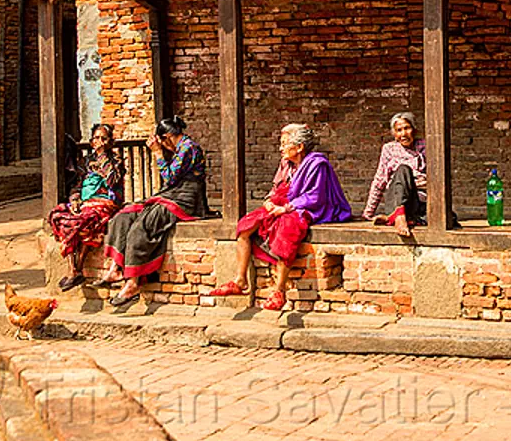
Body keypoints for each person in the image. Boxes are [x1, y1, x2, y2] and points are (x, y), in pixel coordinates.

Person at [209, 123, 351, 311]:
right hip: (284, 202)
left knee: (287, 229)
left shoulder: (317, 164)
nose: (281, 148)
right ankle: (240, 279)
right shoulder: (286, 163)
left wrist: (286, 208)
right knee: (246, 225)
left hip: (308, 207)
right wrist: (269, 201)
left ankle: (279, 290)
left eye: (284, 144)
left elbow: (315, 196)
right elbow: (276, 187)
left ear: (299, 147)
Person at [93, 116, 208, 307]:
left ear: (168, 137)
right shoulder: (178, 147)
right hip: (170, 194)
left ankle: (133, 282)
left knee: (142, 226)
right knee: (124, 215)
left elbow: (170, 177)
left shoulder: (189, 147)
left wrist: (158, 154)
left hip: (186, 198)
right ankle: (116, 267)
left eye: (162, 141)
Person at [46, 124, 126, 291]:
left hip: (105, 203)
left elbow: (112, 180)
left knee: (85, 222)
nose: (100, 142)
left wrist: (103, 156)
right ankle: (74, 270)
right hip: (85, 203)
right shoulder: (86, 162)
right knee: (61, 217)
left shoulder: (116, 161)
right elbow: (77, 185)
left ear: (110, 142)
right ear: (91, 142)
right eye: (96, 138)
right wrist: (75, 199)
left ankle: (75, 270)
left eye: (104, 138)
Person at [362, 112, 427, 236]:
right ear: (394, 134)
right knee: (403, 169)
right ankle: (399, 216)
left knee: (451, 218)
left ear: (414, 129)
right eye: (399, 130)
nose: (403, 134)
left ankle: (393, 219)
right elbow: (379, 181)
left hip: (417, 200)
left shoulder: (424, 147)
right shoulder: (389, 149)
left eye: (407, 128)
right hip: (396, 199)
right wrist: (368, 213)